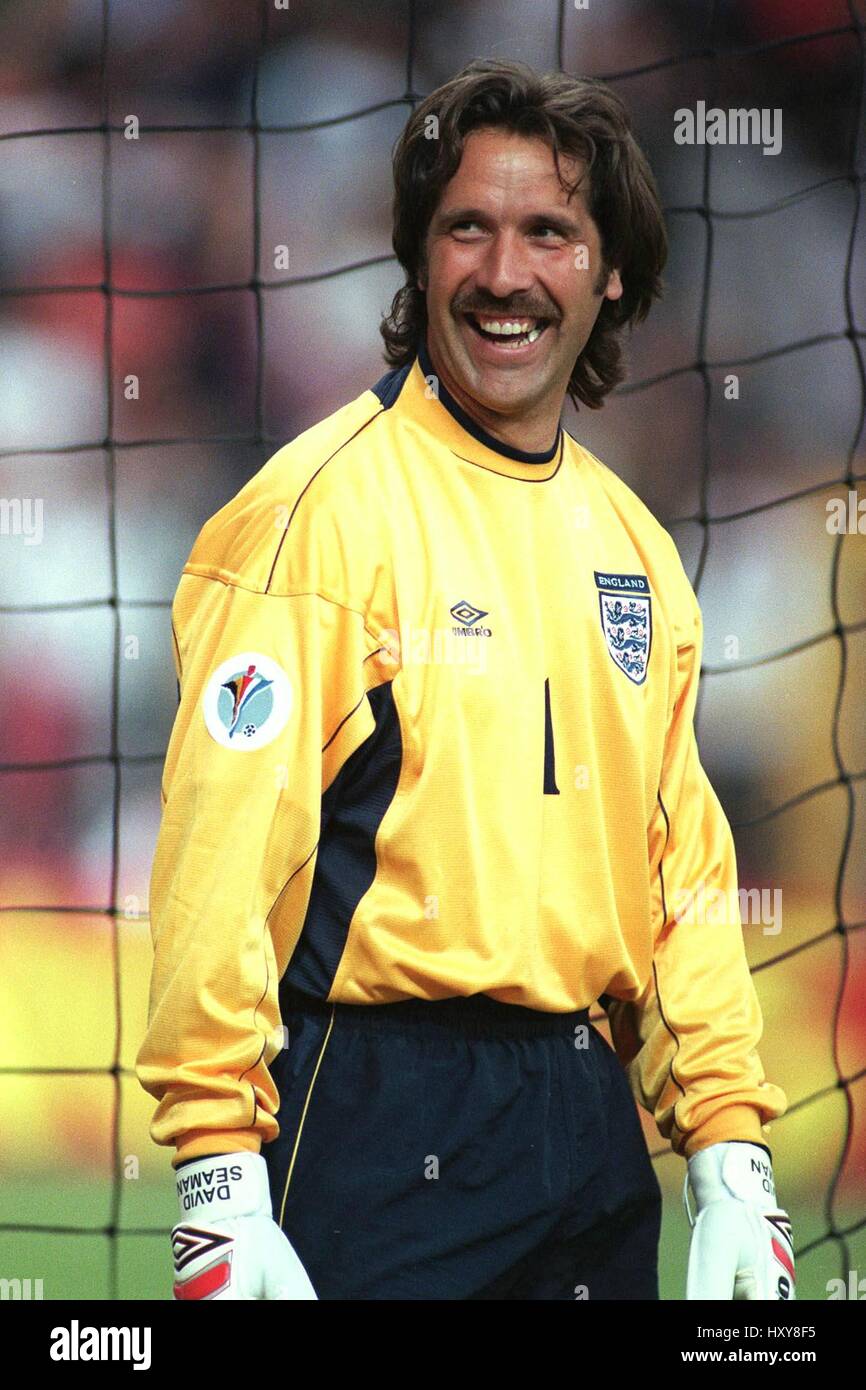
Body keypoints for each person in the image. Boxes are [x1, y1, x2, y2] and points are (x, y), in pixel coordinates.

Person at [136, 58, 794, 1301]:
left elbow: (679, 879)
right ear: (417, 258)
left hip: (589, 1132)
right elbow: (219, 860)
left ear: (608, 273)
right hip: (369, 1116)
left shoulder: (638, 554)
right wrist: (217, 1178)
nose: (503, 274)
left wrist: (728, 1157)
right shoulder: (314, 514)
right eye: (466, 230)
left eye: (548, 231)